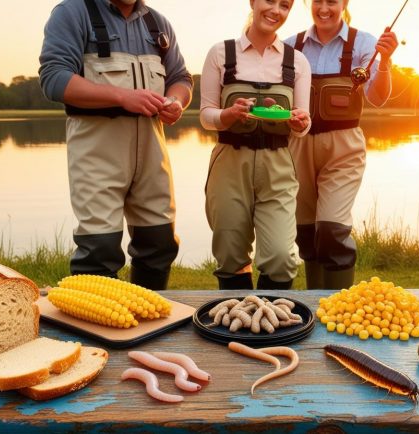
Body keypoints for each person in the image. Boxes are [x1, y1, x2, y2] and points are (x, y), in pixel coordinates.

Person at [39, 0, 193, 290]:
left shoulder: (158, 23)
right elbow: (54, 78)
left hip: (152, 153)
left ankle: (149, 314)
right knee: (99, 251)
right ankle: (95, 320)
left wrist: (176, 101)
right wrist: (122, 96)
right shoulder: (72, 13)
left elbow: (180, 78)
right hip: (97, 154)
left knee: (159, 244)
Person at [285, 0, 399, 289]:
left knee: (331, 230)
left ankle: (340, 306)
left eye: (332, 2)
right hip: (297, 146)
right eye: (318, 1)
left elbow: (377, 98)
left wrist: (385, 61)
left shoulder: (365, 43)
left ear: (344, 4)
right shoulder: (289, 46)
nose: (324, 8)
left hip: (344, 148)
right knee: (306, 233)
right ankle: (316, 305)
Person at [199, 0, 312, 290]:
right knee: (230, 254)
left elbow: (304, 122)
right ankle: (237, 314)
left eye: (285, 6)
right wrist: (227, 115)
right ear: (253, 2)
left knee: (281, 257)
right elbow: (206, 115)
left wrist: (300, 123)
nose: (276, 10)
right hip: (229, 162)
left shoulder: (297, 61)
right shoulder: (220, 53)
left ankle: (271, 316)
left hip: (278, 165)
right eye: (270, 1)